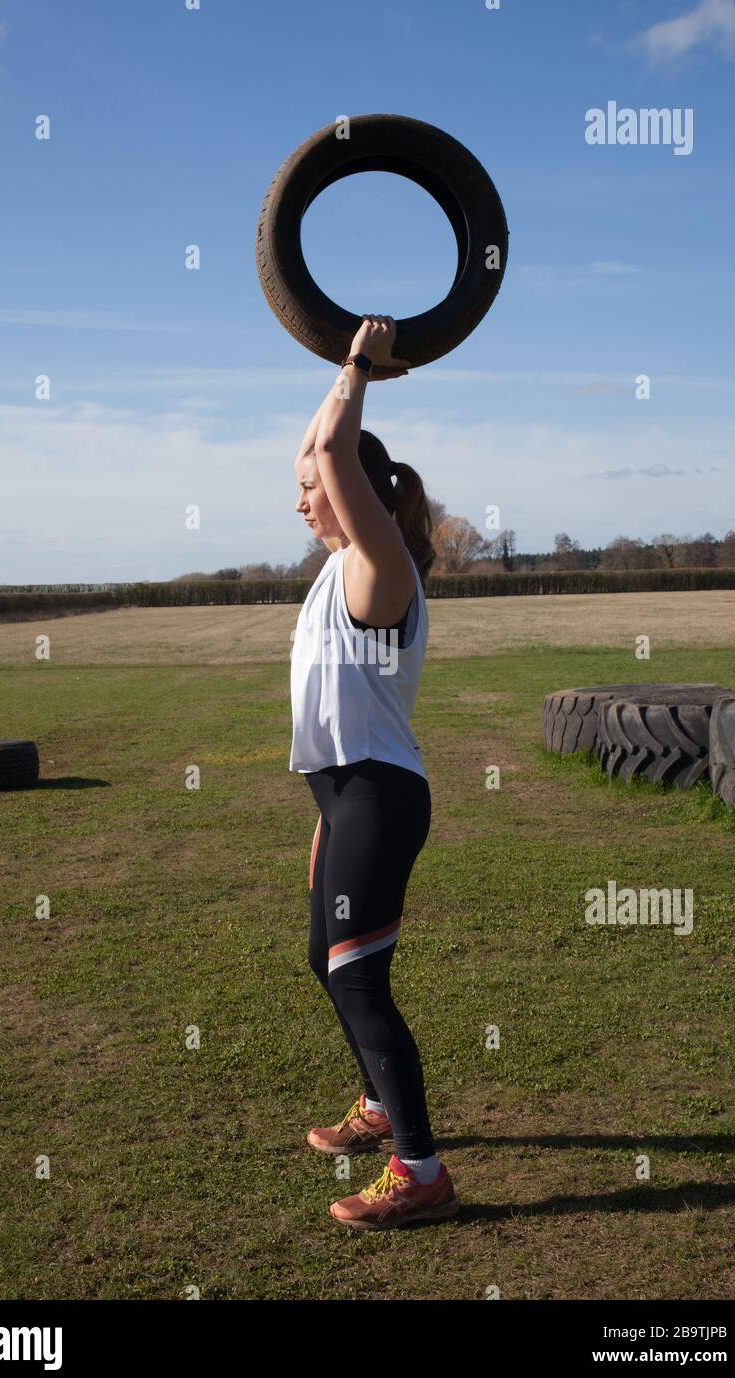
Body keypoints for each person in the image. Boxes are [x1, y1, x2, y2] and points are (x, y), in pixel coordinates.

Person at [289, 314, 459, 1230]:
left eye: (311, 488)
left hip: (380, 799)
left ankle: (421, 1171)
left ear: (354, 494)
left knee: (359, 979)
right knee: (325, 962)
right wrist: (345, 380)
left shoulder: (377, 567)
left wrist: (357, 363)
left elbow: (333, 450)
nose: (301, 498)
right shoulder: (333, 572)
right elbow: (322, 444)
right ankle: (380, 1107)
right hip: (345, 798)